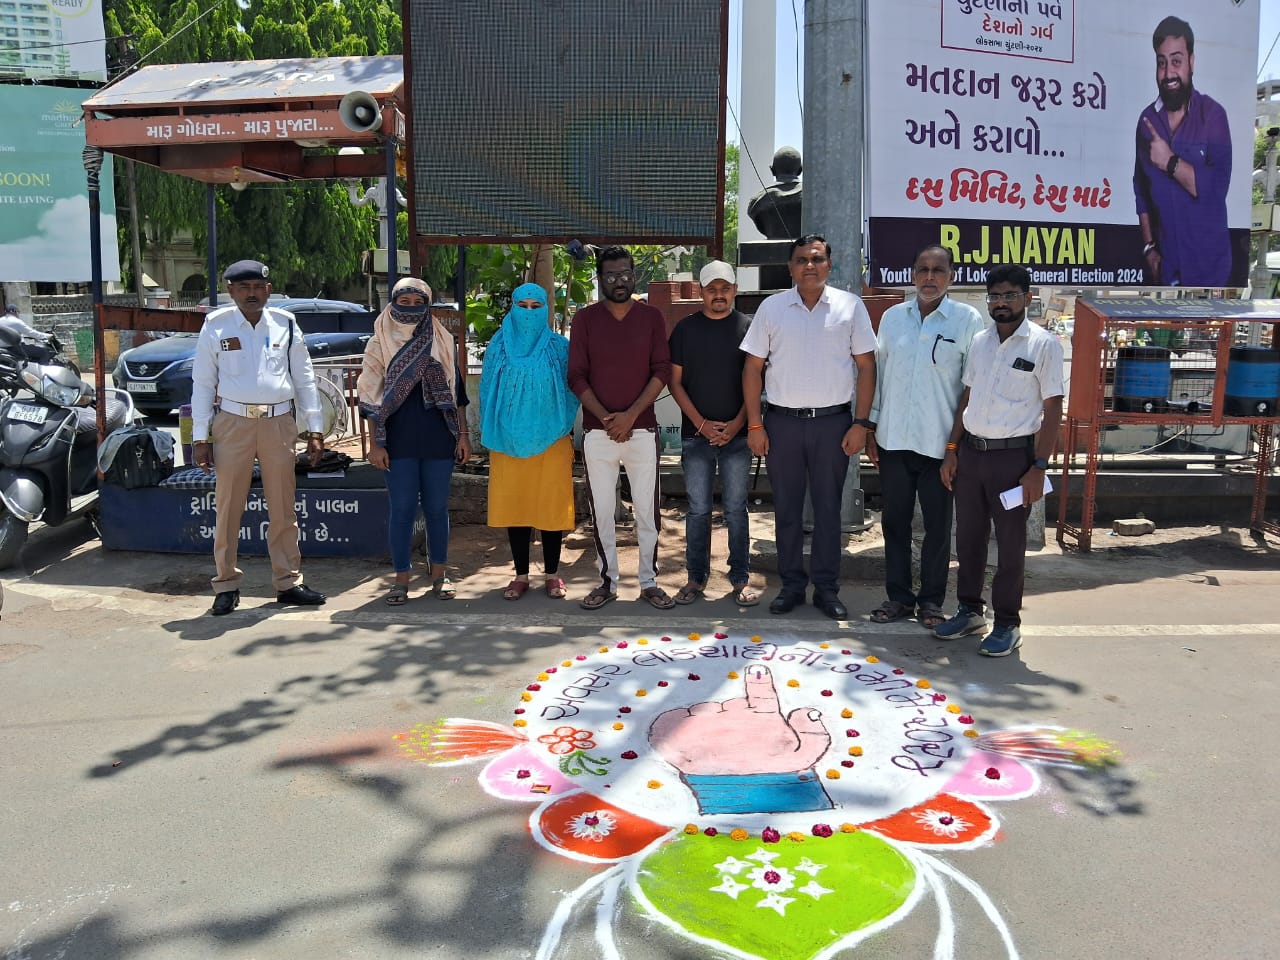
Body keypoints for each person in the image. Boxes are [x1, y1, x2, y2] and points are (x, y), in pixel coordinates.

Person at [741, 235, 877, 621]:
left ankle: (827, 589)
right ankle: (791, 586)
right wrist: (755, 424)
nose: (810, 266)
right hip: (781, 423)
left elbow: (867, 367)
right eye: (802, 260)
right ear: (791, 267)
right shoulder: (772, 308)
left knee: (829, 510)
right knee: (785, 510)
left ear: (829, 265)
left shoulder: (850, 307)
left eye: (817, 259)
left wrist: (860, 424)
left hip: (833, 424)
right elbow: (752, 368)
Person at [935, 264, 1064, 657]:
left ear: (1027, 297)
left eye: (1010, 295)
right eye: (995, 296)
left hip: (1015, 461)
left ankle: (1008, 623)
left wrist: (1038, 468)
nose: (1001, 303)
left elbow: (1054, 407)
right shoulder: (980, 342)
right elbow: (967, 398)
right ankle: (970, 610)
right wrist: (953, 450)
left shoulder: (1044, 345)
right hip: (973, 455)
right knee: (969, 540)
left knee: (1010, 547)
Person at [190, 259, 327, 616]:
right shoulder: (215, 326)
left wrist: (314, 429)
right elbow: (203, 383)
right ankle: (226, 584)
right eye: (243, 287)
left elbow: (305, 379)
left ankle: (288, 582)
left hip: (279, 422)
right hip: (232, 423)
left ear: (268, 289)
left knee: (283, 506)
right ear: (231, 291)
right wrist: (200, 437)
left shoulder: (285, 324)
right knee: (228, 507)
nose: (252, 293)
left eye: (258, 287)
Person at [866, 245, 984, 629]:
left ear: (951, 275)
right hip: (893, 440)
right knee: (894, 524)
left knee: (937, 527)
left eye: (938, 270)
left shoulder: (967, 320)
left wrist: (955, 446)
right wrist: (871, 428)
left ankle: (931, 602)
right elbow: (879, 379)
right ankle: (898, 597)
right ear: (912, 274)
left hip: (940, 447)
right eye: (922, 270)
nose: (929, 277)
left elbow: (971, 388)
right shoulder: (892, 318)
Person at [568, 244, 675, 610]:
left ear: (634, 275)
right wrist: (608, 418)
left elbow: (661, 369)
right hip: (598, 434)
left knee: (648, 510)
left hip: (643, 431)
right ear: (600, 279)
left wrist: (630, 416)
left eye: (625, 273)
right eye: (611, 275)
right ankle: (606, 582)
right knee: (601, 511)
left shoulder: (651, 318)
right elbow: (576, 376)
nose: (619, 281)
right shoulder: (584, 320)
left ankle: (649, 581)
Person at [357, 277, 471, 605]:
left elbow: (457, 395)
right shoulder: (378, 341)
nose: (410, 308)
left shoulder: (441, 338)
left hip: (439, 438)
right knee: (403, 510)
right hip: (396, 440)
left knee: (437, 509)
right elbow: (369, 397)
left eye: (416, 302)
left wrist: (462, 436)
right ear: (392, 303)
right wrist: (374, 444)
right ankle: (400, 580)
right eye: (402, 302)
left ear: (427, 304)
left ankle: (440, 576)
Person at [478, 282, 579, 601]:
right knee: (516, 507)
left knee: (550, 508)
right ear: (512, 307)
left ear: (546, 309)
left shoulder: (559, 347)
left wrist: (556, 423)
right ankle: (520, 575)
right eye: (523, 306)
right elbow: (486, 390)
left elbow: (571, 391)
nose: (529, 313)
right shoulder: (498, 345)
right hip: (507, 441)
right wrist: (500, 426)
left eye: (536, 307)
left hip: (551, 439)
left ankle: (553, 574)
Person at [668, 260, 758, 607]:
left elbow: (757, 381)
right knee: (698, 510)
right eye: (711, 289)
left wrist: (739, 423)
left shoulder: (749, 328)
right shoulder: (685, 330)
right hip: (696, 436)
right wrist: (702, 425)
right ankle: (696, 578)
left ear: (735, 290)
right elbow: (674, 382)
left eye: (725, 288)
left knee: (737, 509)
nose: (719, 295)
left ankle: (740, 579)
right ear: (701, 292)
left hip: (737, 437)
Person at [1133, 15, 1232, 287]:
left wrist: (1170, 162)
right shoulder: (1147, 121)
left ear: (1192, 62)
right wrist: (1148, 248)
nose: (1168, 73)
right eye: (1161, 63)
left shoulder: (1213, 116)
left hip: (1209, 273)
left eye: (1176, 61)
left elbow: (1215, 190)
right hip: (1164, 272)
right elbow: (1140, 188)